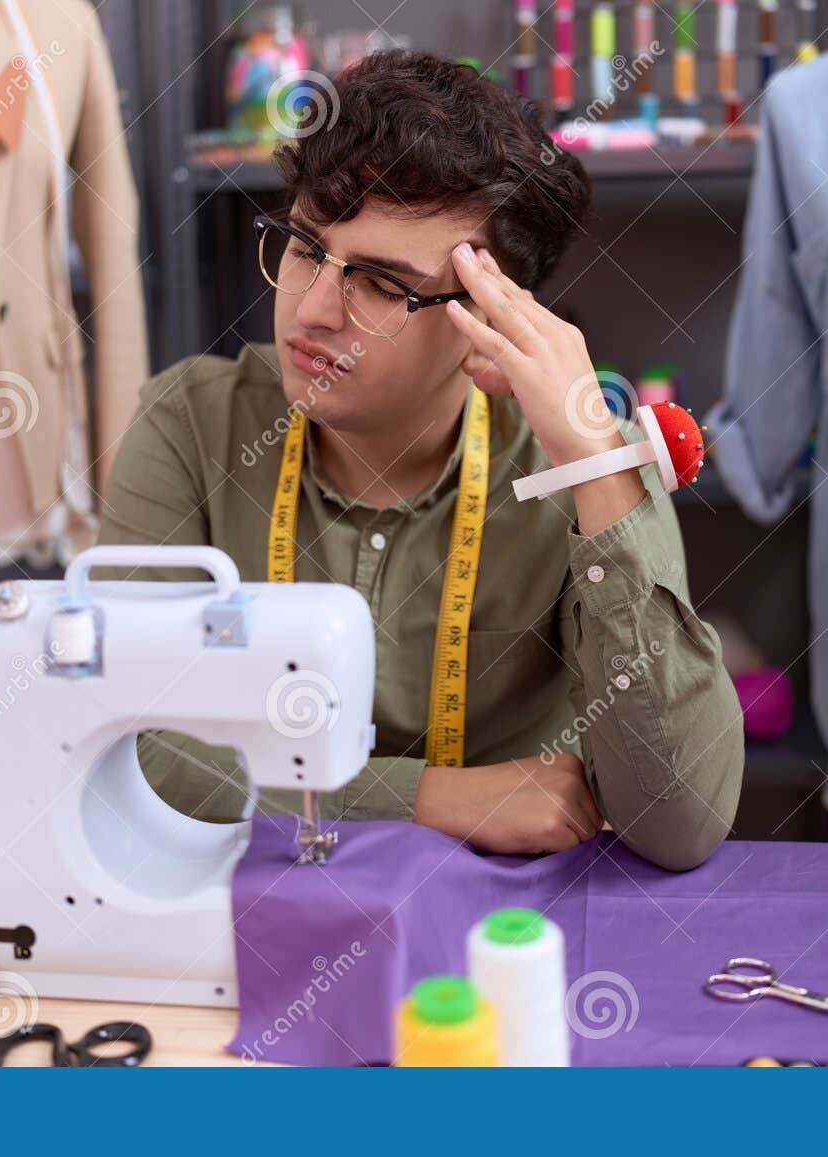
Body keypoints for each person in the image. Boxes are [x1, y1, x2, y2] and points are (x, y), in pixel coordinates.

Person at [99, 50, 744, 870]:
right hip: (239, 914)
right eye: (304, 248)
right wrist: (435, 798)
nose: (315, 310)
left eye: (378, 282)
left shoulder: (584, 470)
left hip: (493, 942)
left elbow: (679, 822)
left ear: (488, 315)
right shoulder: (189, 424)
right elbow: (127, 745)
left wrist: (590, 457)